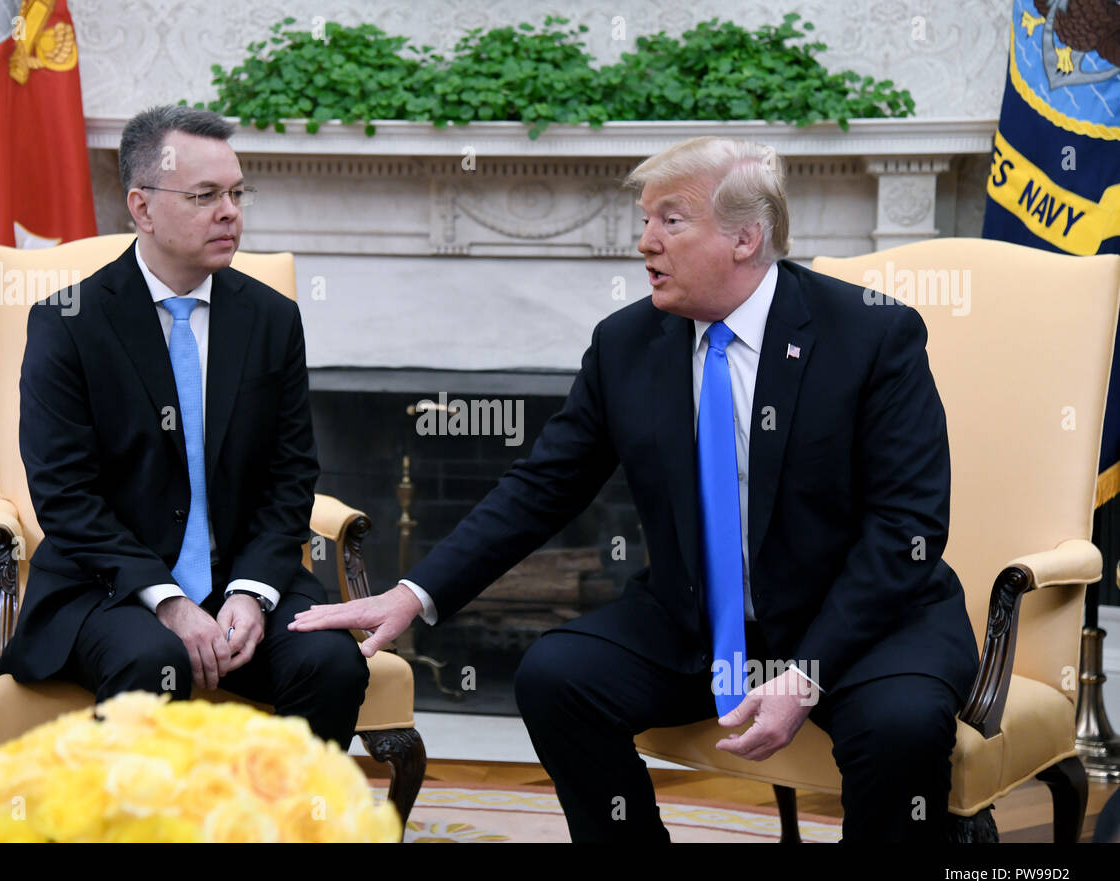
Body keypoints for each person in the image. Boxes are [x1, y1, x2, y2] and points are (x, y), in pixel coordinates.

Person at [291, 136, 980, 840]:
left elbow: (906, 528)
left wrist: (805, 673)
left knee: (901, 729)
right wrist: (414, 594)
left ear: (745, 238)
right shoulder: (628, 343)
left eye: (669, 221)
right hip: (696, 620)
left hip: (866, 625)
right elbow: (543, 485)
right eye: (644, 220)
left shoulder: (871, 333)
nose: (644, 242)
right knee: (558, 677)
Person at [0, 105, 368, 748]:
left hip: (244, 574)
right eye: (205, 196)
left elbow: (291, 476)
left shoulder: (270, 319)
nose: (230, 212)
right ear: (141, 207)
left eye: (236, 193)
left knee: (330, 661)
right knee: (154, 661)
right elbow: (64, 498)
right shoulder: (69, 322)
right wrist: (168, 601)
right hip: (108, 587)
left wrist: (252, 593)